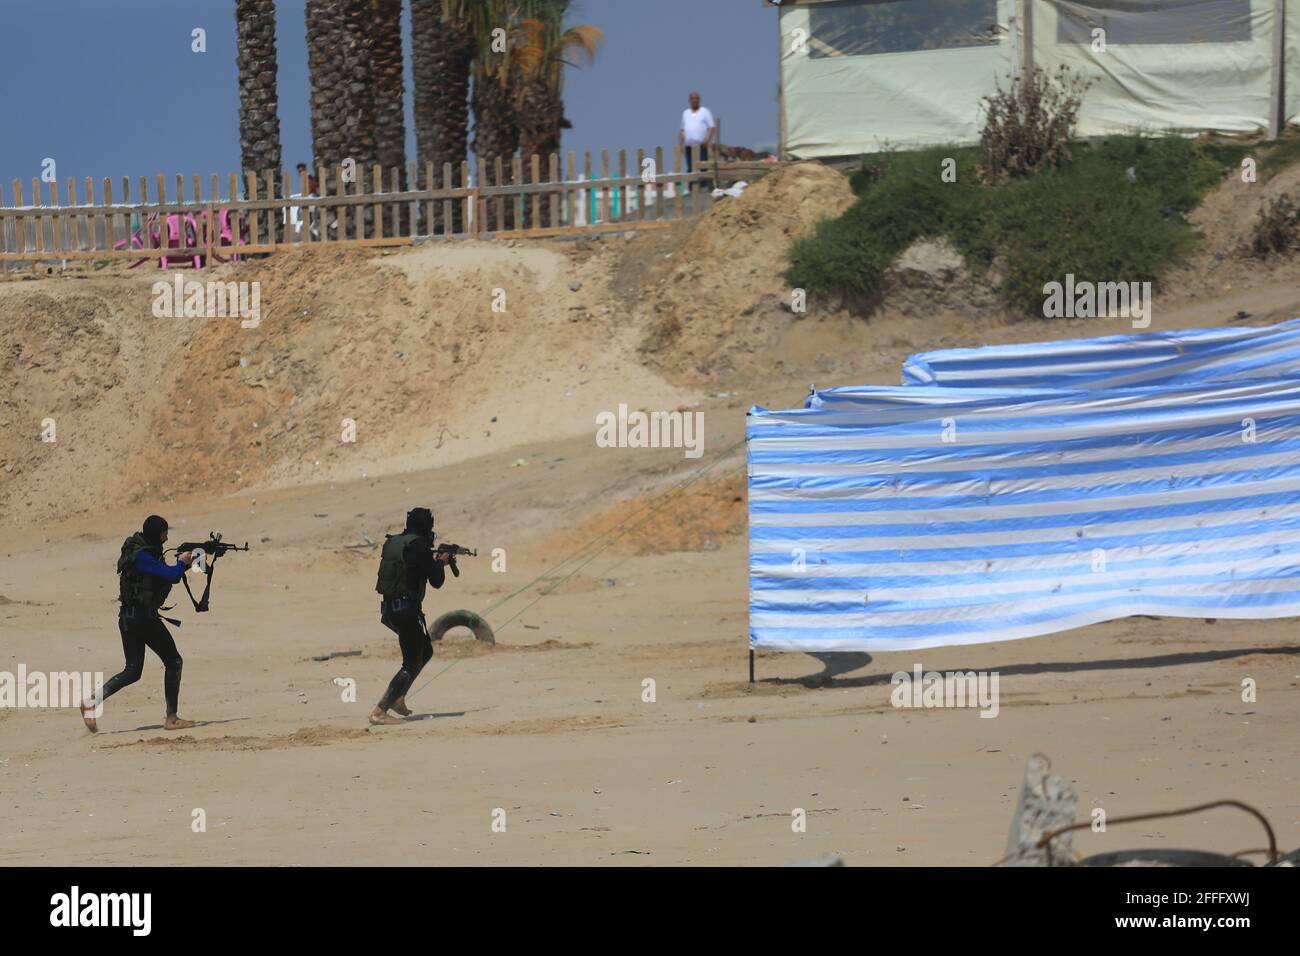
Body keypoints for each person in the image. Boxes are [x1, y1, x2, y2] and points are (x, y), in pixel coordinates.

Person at [80, 515, 195, 733]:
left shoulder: (143, 553)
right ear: (155, 534)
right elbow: (171, 576)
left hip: (129, 619)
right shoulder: (143, 557)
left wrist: (191, 563)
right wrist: (182, 563)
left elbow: (165, 575)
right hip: (143, 620)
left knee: (133, 671)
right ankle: (172, 718)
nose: (166, 537)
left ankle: (91, 702)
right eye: (164, 533)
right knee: (174, 661)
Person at [370, 507, 456, 725]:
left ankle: (398, 697)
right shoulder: (419, 547)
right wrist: (441, 562)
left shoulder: (397, 542)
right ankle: (380, 711)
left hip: (391, 609)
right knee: (410, 663)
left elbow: (410, 570)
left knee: (425, 651)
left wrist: (433, 559)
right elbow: (436, 581)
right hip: (407, 611)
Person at [679, 91, 715, 174]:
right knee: (690, 168)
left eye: (696, 98)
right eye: (692, 98)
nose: (694, 100)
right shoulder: (685, 113)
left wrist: (707, 139)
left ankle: (703, 186)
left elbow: (711, 127)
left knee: (702, 167)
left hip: (701, 146)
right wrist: (681, 143)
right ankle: (691, 186)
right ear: (689, 100)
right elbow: (682, 129)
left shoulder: (705, 111)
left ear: (699, 100)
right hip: (688, 146)